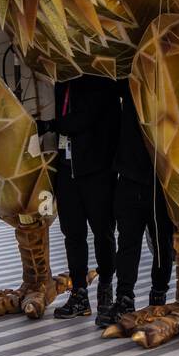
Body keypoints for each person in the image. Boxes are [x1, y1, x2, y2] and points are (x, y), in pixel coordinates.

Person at [98, 79, 175, 327]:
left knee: (162, 241)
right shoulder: (131, 84)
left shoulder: (169, 91)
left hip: (159, 181)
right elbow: (110, 81)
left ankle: (159, 293)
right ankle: (124, 297)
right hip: (130, 177)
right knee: (127, 242)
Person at [42, 74, 118, 320]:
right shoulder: (61, 83)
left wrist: (52, 124)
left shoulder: (101, 79)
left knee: (103, 232)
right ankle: (79, 294)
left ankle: (106, 289)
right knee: (72, 234)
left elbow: (82, 119)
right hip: (66, 170)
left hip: (97, 171)